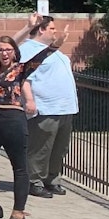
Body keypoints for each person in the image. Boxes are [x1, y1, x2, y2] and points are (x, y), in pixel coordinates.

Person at [0, 36, 55, 219]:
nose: (4, 53)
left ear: (15, 51)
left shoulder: (20, 69)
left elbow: (41, 57)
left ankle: (18, 214)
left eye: (8, 50)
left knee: (19, 168)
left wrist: (56, 43)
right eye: (0, 50)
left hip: (12, 120)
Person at [15, 14, 78, 198]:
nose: (55, 31)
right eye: (52, 28)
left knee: (59, 148)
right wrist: (30, 100)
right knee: (40, 147)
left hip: (65, 108)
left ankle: (52, 179)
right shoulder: (28, 50)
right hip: (45, 107)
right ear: (41, 29)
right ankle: (34, 180)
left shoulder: (54, 51)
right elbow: (24, 77)